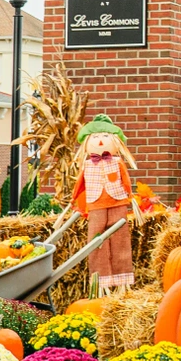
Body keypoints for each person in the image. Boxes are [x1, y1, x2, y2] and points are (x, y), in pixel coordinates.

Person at [70, 115, 136, 291]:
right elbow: (80, 184)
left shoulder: (117, 162)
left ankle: (122, 281)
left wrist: (130, 196)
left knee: (120, 239)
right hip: (96, 203)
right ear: (87, 142)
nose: (100, 140)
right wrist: (74, 199)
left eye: (105, 137)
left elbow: (126, 181)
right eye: (96, 137)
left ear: (115, 141)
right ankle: (101, 281)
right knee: (97, 239)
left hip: (117, 201)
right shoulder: (87, 164)